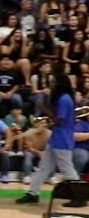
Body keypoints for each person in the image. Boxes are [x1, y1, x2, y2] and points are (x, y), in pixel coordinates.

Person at [17, 73, 78, 203]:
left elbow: (60, 120)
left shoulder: (65, 99)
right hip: (56, 138)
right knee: (44, 167)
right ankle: (33, 193)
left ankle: (80, 196)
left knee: (67, 168)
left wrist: (43, 108)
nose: (51, 85)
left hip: (62, 140)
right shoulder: (64, 98)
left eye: (54, 82)